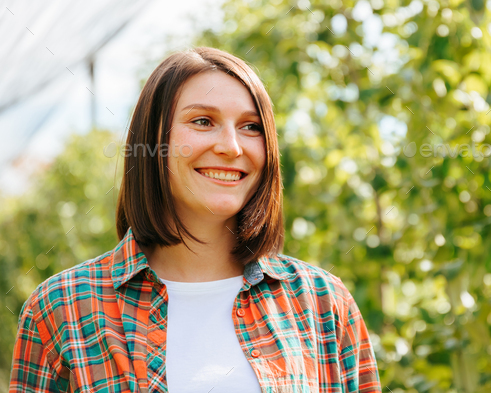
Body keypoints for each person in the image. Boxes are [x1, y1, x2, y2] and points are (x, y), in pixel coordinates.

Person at [9, 47, 381, 392]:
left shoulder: (322, 303)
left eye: (251, 127)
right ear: (154, 142)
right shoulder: (62, 308)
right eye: (203, 121)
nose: (231, 147)